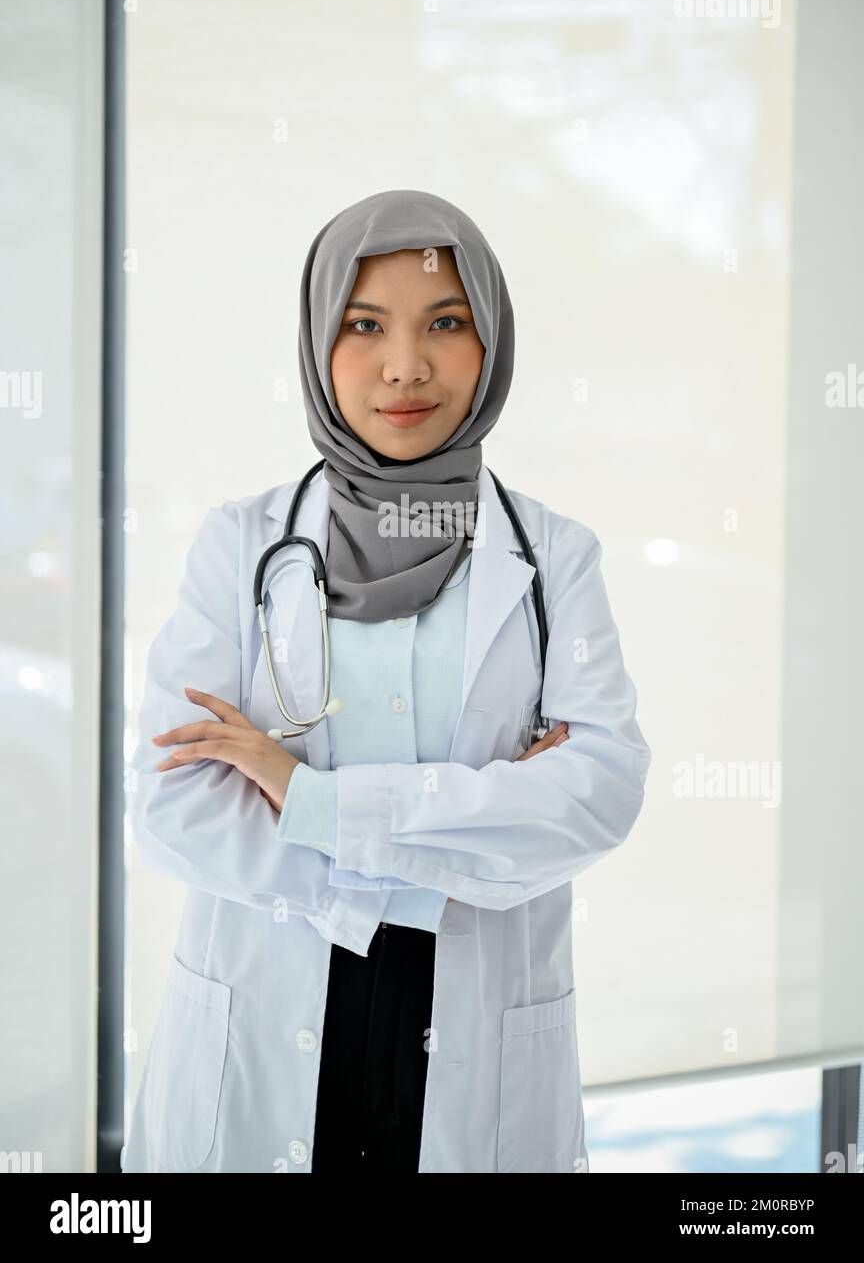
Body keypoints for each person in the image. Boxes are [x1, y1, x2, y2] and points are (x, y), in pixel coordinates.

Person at [122, 189, 651, 1175]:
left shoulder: (556, 558)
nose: (405, 365)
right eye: (365, 325)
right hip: (264, 1029)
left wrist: (307, 795)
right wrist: (469, 834)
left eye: (445, 323)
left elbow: (601, 791)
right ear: (319, 339)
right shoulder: (241, 544)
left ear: (491, 342)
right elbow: (171, 805)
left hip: (470, 1046)